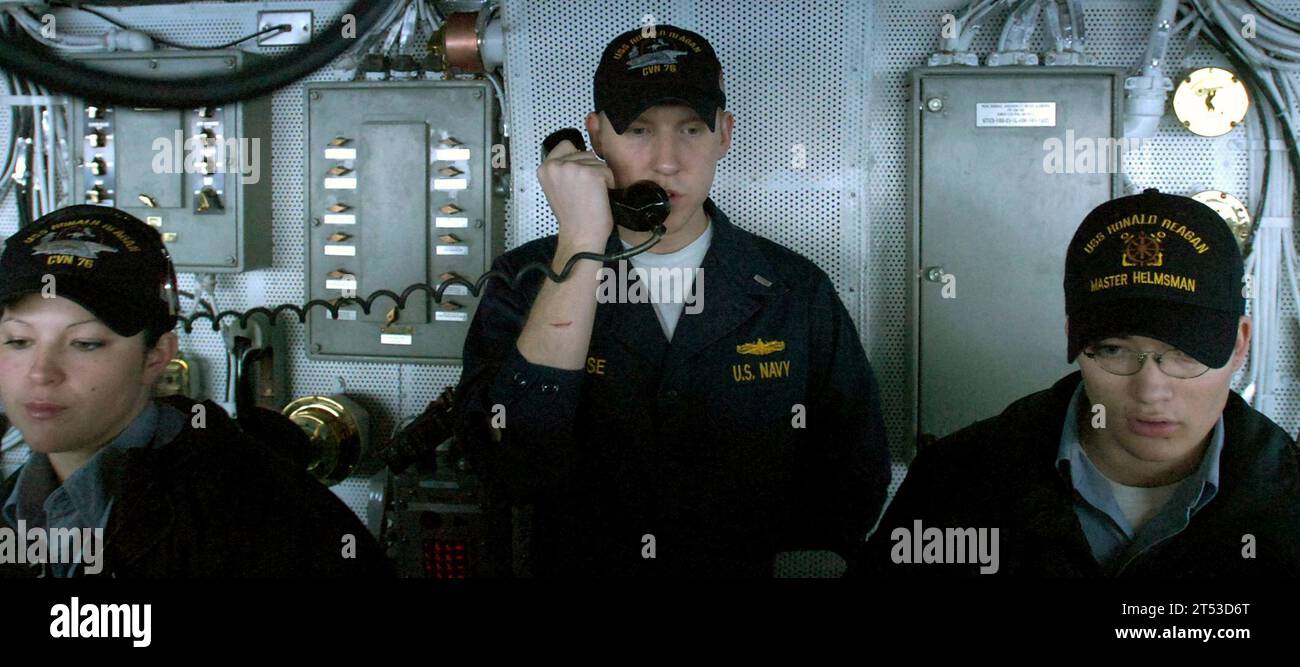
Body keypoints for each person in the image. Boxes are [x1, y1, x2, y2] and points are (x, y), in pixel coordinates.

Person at [456, 24, 890, 577]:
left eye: (690, 129)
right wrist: (582, 245)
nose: (666, 161)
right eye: (637, 130)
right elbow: (509, 464)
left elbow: (853, 480)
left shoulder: (793, 289)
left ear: (724, 134)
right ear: (595, 139)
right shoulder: (527, 278)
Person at [859, 189, 1300, 577]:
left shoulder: (1288, 506)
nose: (1150, 390)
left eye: (1185, 354)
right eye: (1113, 350)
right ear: (1073, 338)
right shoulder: (957, 484)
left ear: (1240, 345)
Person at [0, 205, 392, 578]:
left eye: (85, 343)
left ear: (156, 356)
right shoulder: (16, 505)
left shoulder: (262, 519)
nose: (41, 373)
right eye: (18, 341)